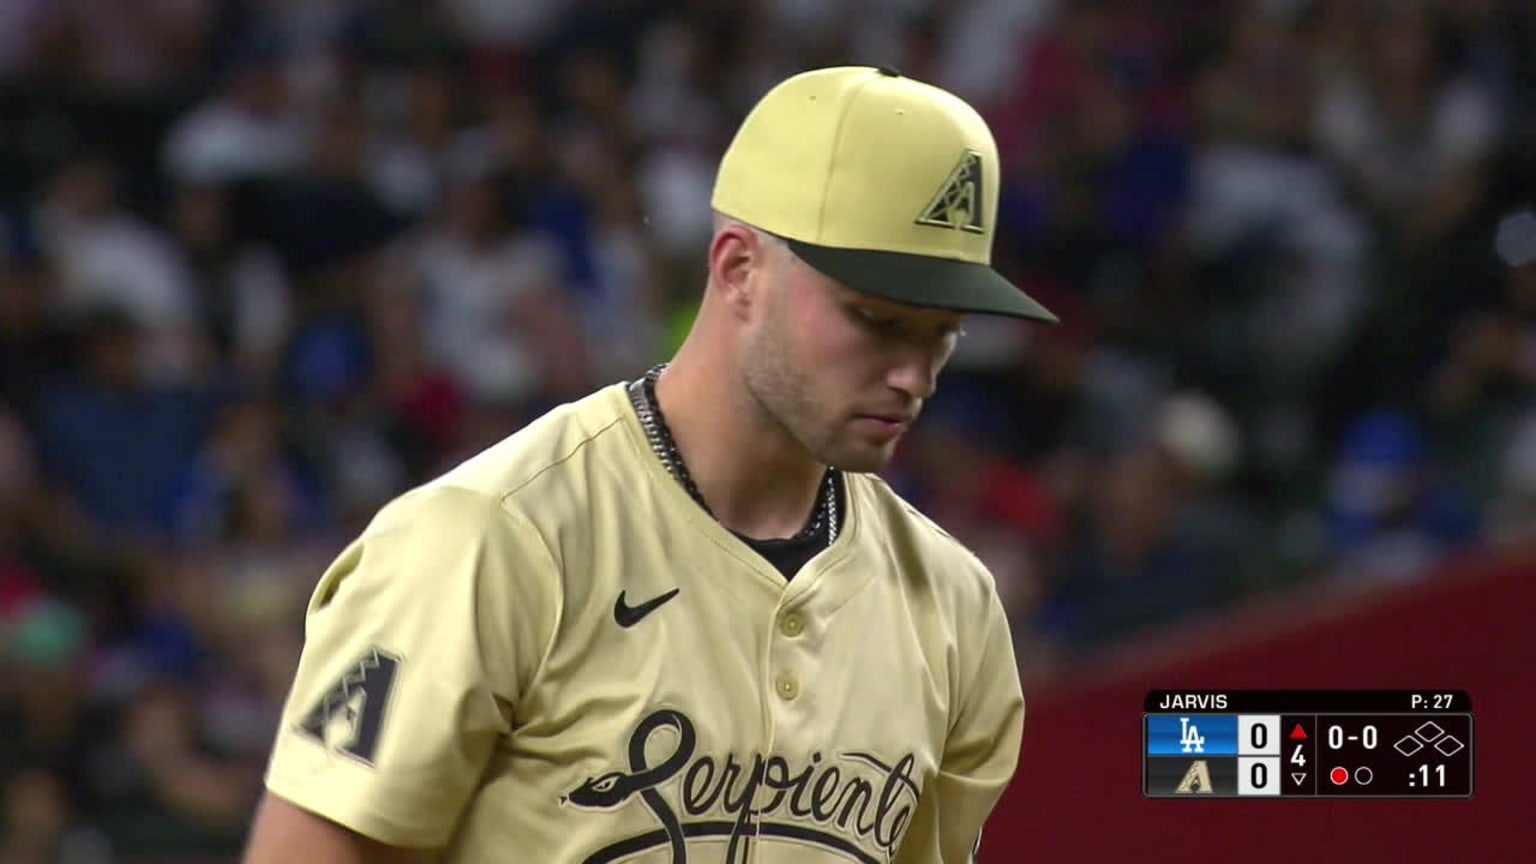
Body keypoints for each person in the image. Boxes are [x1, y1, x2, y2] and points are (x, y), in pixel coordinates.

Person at [242, 65, 1058, 864]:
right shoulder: (487, 540)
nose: (915, 374)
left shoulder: (954, 607)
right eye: (877, 320)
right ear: (739, 270)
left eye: (942, 333)